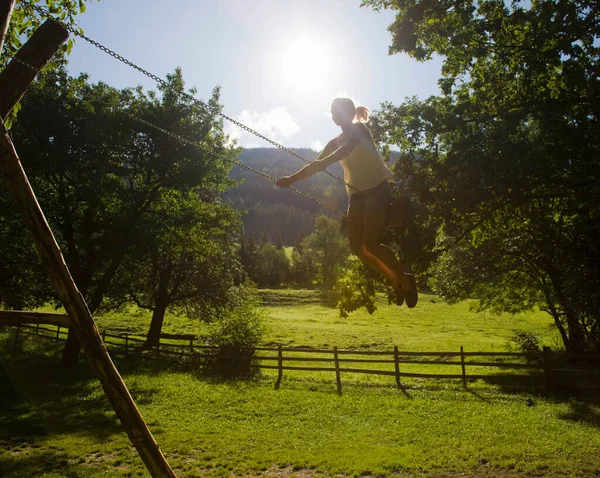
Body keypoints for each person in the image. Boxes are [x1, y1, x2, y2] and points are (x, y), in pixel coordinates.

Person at [276, 97, 417, 308]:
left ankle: (405, 281)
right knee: (357, 248)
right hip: (357, 196)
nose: (335, 115)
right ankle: (395, 280)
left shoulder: (360, 130)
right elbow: (316, 164)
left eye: (338, 111)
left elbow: (344, 151)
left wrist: (322, 163)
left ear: (350, 114)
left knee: (371, 243)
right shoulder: (334, 142)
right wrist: (291, 179)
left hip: (377, 189)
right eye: (332, 112)